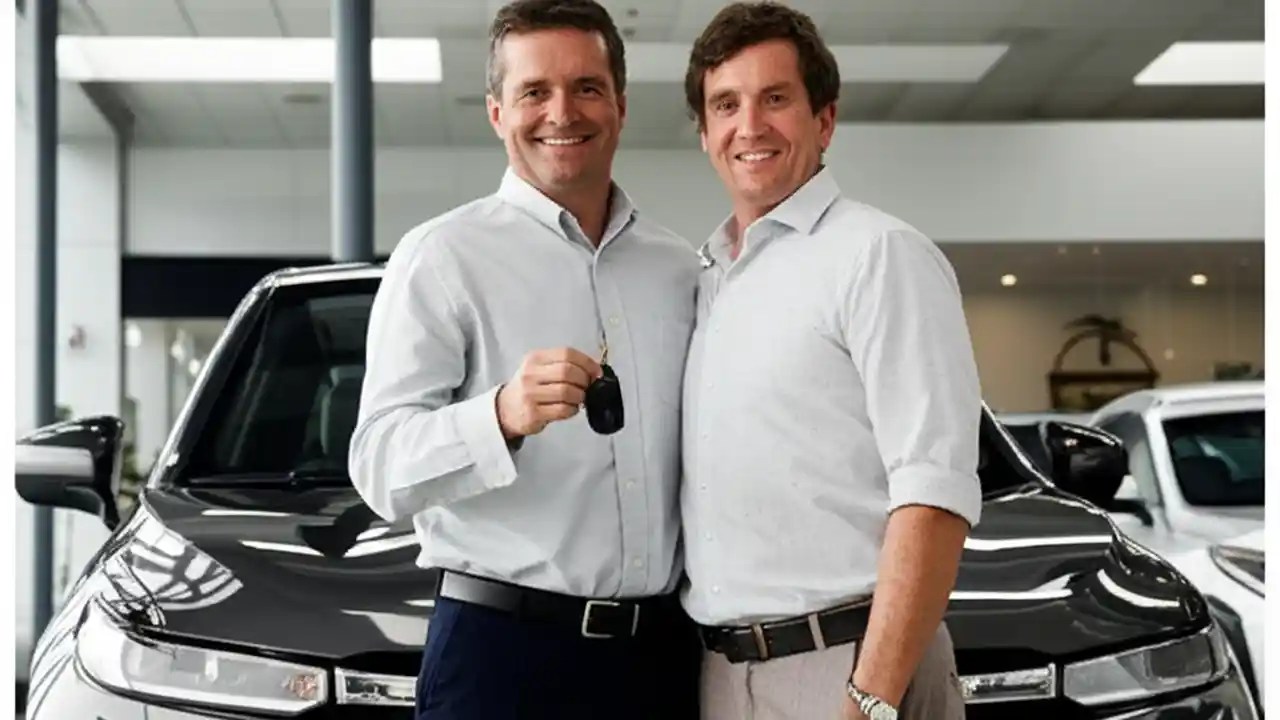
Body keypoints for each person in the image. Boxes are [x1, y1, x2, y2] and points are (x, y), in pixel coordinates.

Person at [346, 1, 700, 718]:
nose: (561, 112)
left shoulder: (681, 268)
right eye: (534, 91)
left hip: (661, 657)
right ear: (496, 113)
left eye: (587, 87)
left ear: (621, 107)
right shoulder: (442, 257)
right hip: (502, 659)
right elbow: (379, 466)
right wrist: (499, 415)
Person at [678, 3, 981, 719]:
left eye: (775, 99)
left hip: (850, 668)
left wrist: (869, 698)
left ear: (825, 119)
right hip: (723, 676)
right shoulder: (708, 278)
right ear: (704, 132)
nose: (749, 126)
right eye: (726, 104)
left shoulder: (879, 256)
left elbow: (933, 494)